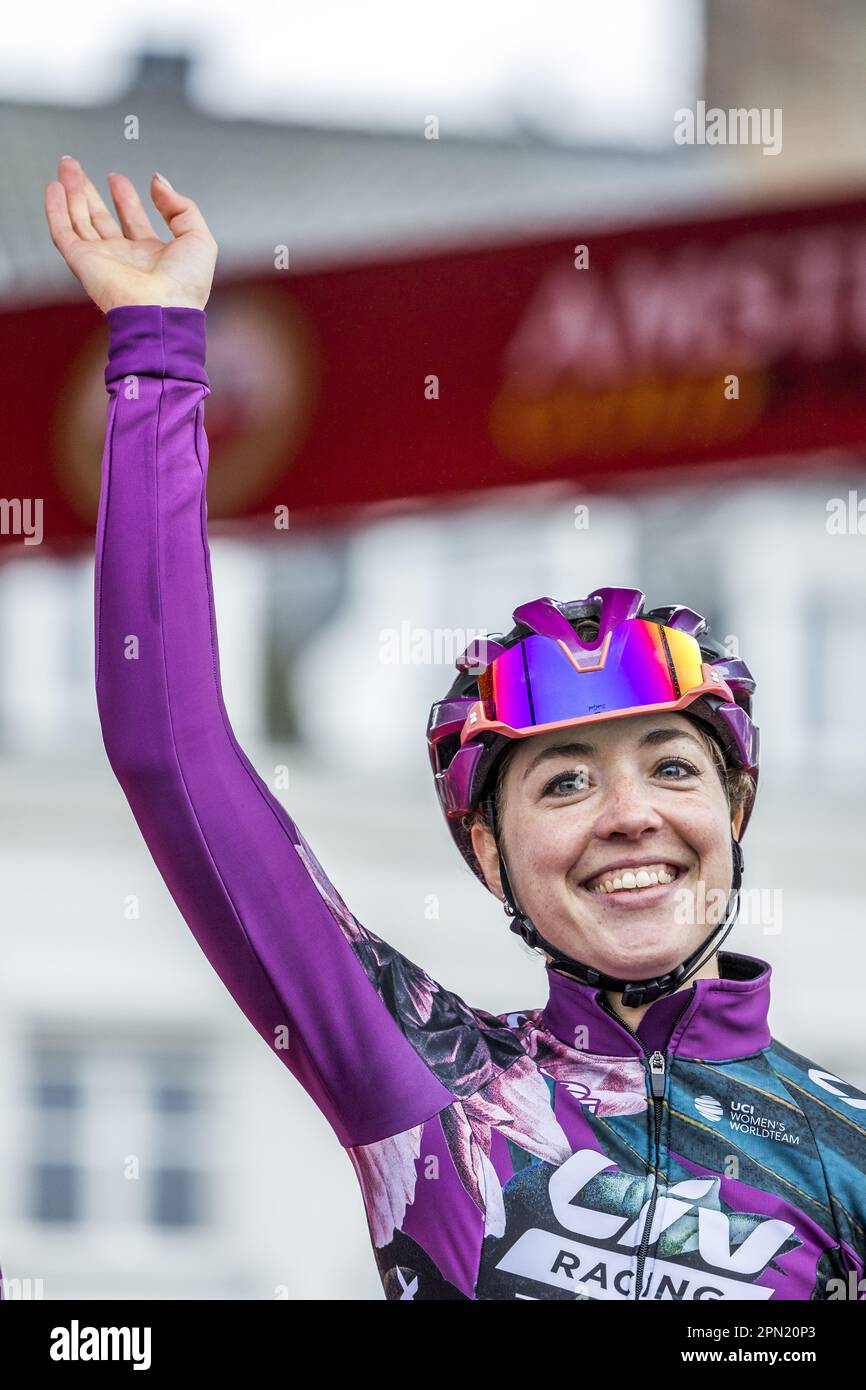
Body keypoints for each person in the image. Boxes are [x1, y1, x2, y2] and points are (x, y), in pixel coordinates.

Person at [44, 159, 866, 1303]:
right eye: (564, 783)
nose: (630, 813)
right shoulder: (429, 1079)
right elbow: (168, 750)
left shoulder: (848, 1156)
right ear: (489, 852)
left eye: (671, 766)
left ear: (731, 811)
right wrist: (158, 348)